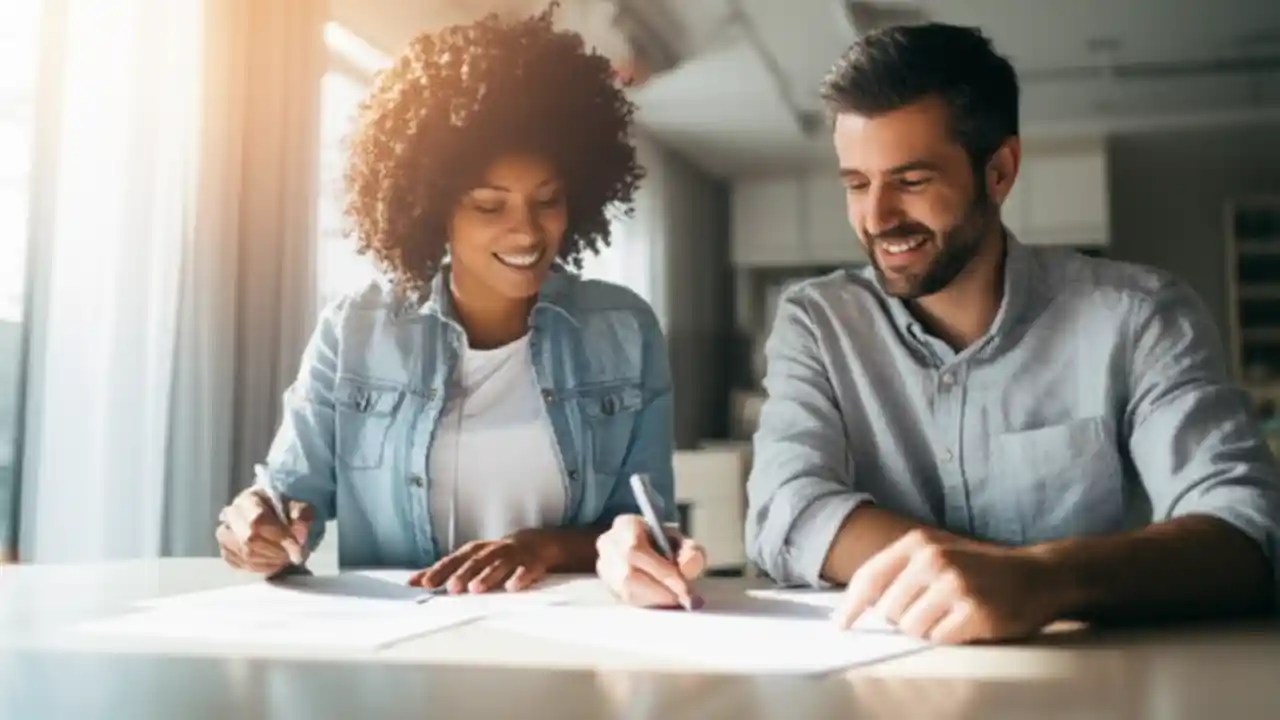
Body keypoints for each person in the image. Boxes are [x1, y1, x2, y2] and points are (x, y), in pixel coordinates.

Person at [600, 23, 1279, 637]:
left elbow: (1249, 531)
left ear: (999, 171)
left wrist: (1043, 580)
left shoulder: (1141, 317)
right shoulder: (819, 323)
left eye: (912, 180)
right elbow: (786, 512)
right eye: (857, 183)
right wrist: (980, 573)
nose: (877, 217)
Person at [214, 8, 679, 596]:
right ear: (434, 208)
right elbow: (287, 500)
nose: (527, 231)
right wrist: (257, 529)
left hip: (568, 632)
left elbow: (647, 529)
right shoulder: (354, 332)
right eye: (489, 206)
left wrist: (541, 546)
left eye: (548, 200)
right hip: (401, 639)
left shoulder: (623, 330)